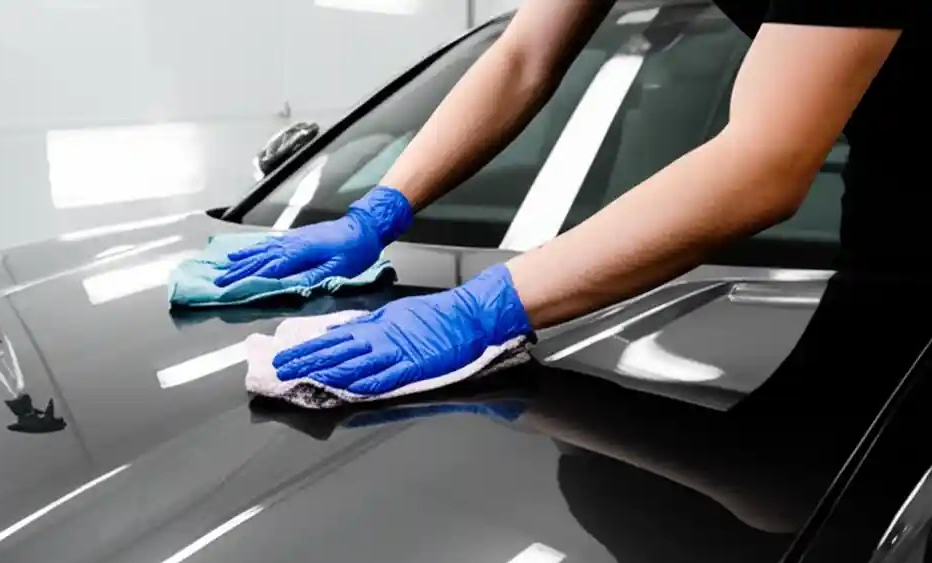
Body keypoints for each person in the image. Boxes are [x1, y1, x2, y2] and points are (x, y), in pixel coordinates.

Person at [215, 0, 924, 397]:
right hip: (881, 184)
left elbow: (763, 162)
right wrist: (376, 211)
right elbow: (522, 58)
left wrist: (481, 306)